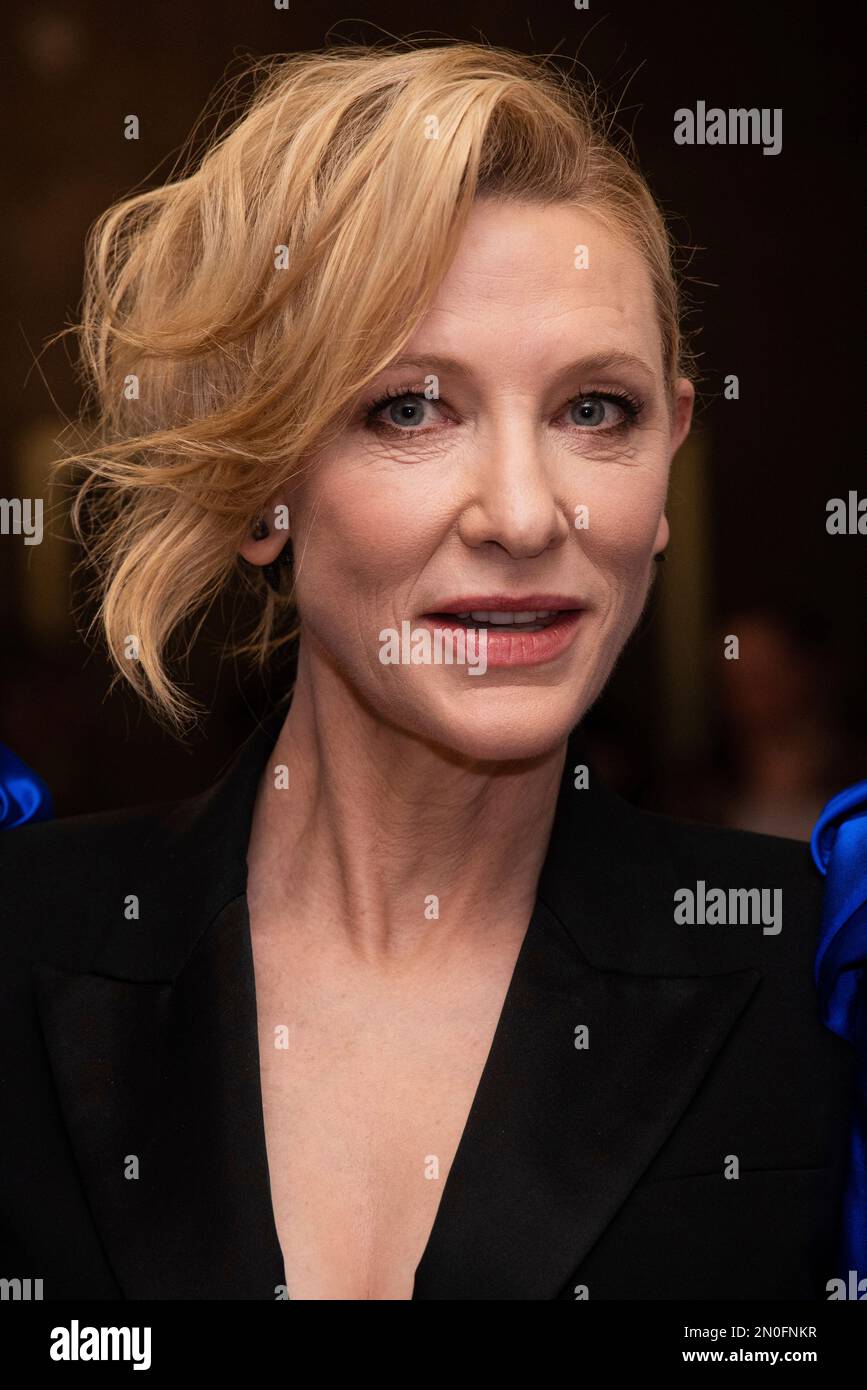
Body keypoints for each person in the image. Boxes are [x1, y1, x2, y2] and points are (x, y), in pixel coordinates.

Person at [0, 41, 854, 1301]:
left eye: (594, 411)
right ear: (261, 482)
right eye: (411, 408)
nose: (522, 512)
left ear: (668, 455)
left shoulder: (820, 974)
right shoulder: (28, 938)